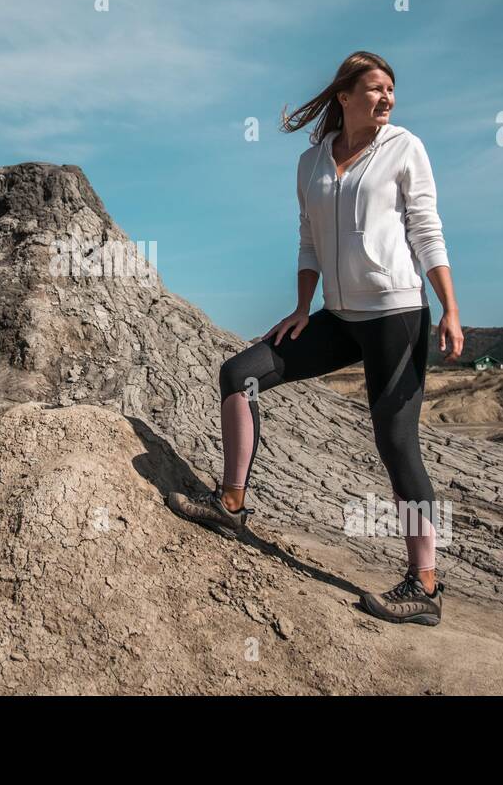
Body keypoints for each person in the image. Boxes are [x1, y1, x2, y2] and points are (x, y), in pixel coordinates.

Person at [168, 50, 465, 626]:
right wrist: (303, 306)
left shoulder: (405, 148)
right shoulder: (311, 164)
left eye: (392, 91)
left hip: (397, 314)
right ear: (344, 96)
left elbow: (426, 231)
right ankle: (230, 502)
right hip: (337, 315)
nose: (388, 98)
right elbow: (308, 239)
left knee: (397, 443)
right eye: (376, 88)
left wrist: (449, 308)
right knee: (239, 374)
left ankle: (424, 586)